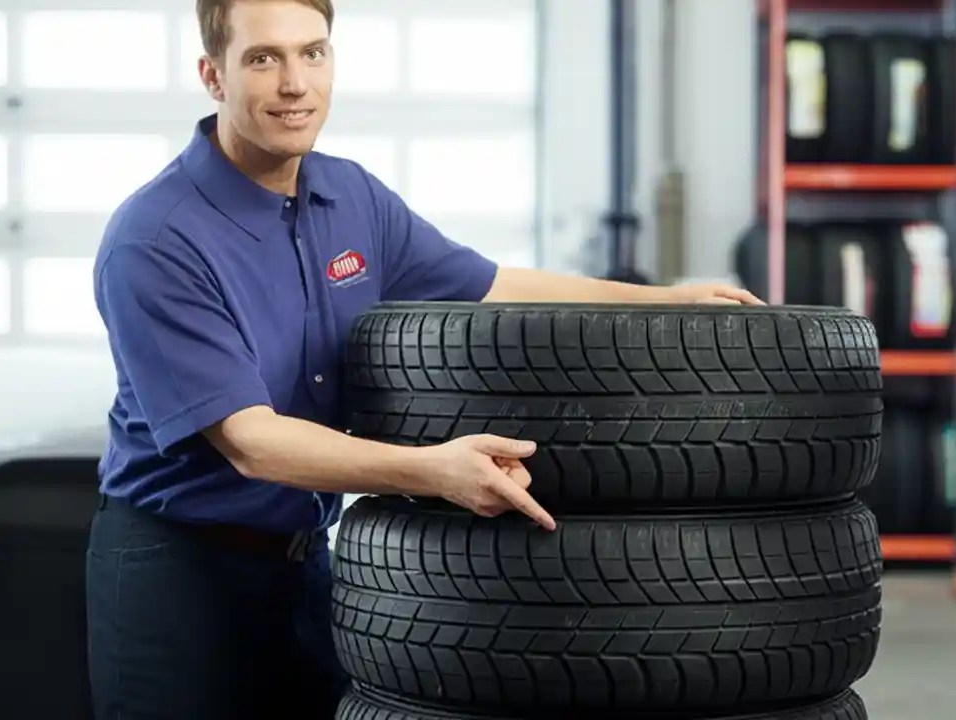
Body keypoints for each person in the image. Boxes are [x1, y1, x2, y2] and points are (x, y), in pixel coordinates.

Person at [84, 0, 763, 717]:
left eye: (313, 53)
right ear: (212, 76)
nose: (295, 83)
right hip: (176, 570)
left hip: (305, 559)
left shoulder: (351, 197)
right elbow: (252, 442)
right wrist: (434, 471)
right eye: (263, 59)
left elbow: (492, 285)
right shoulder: (156, 239)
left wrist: (663, 302)